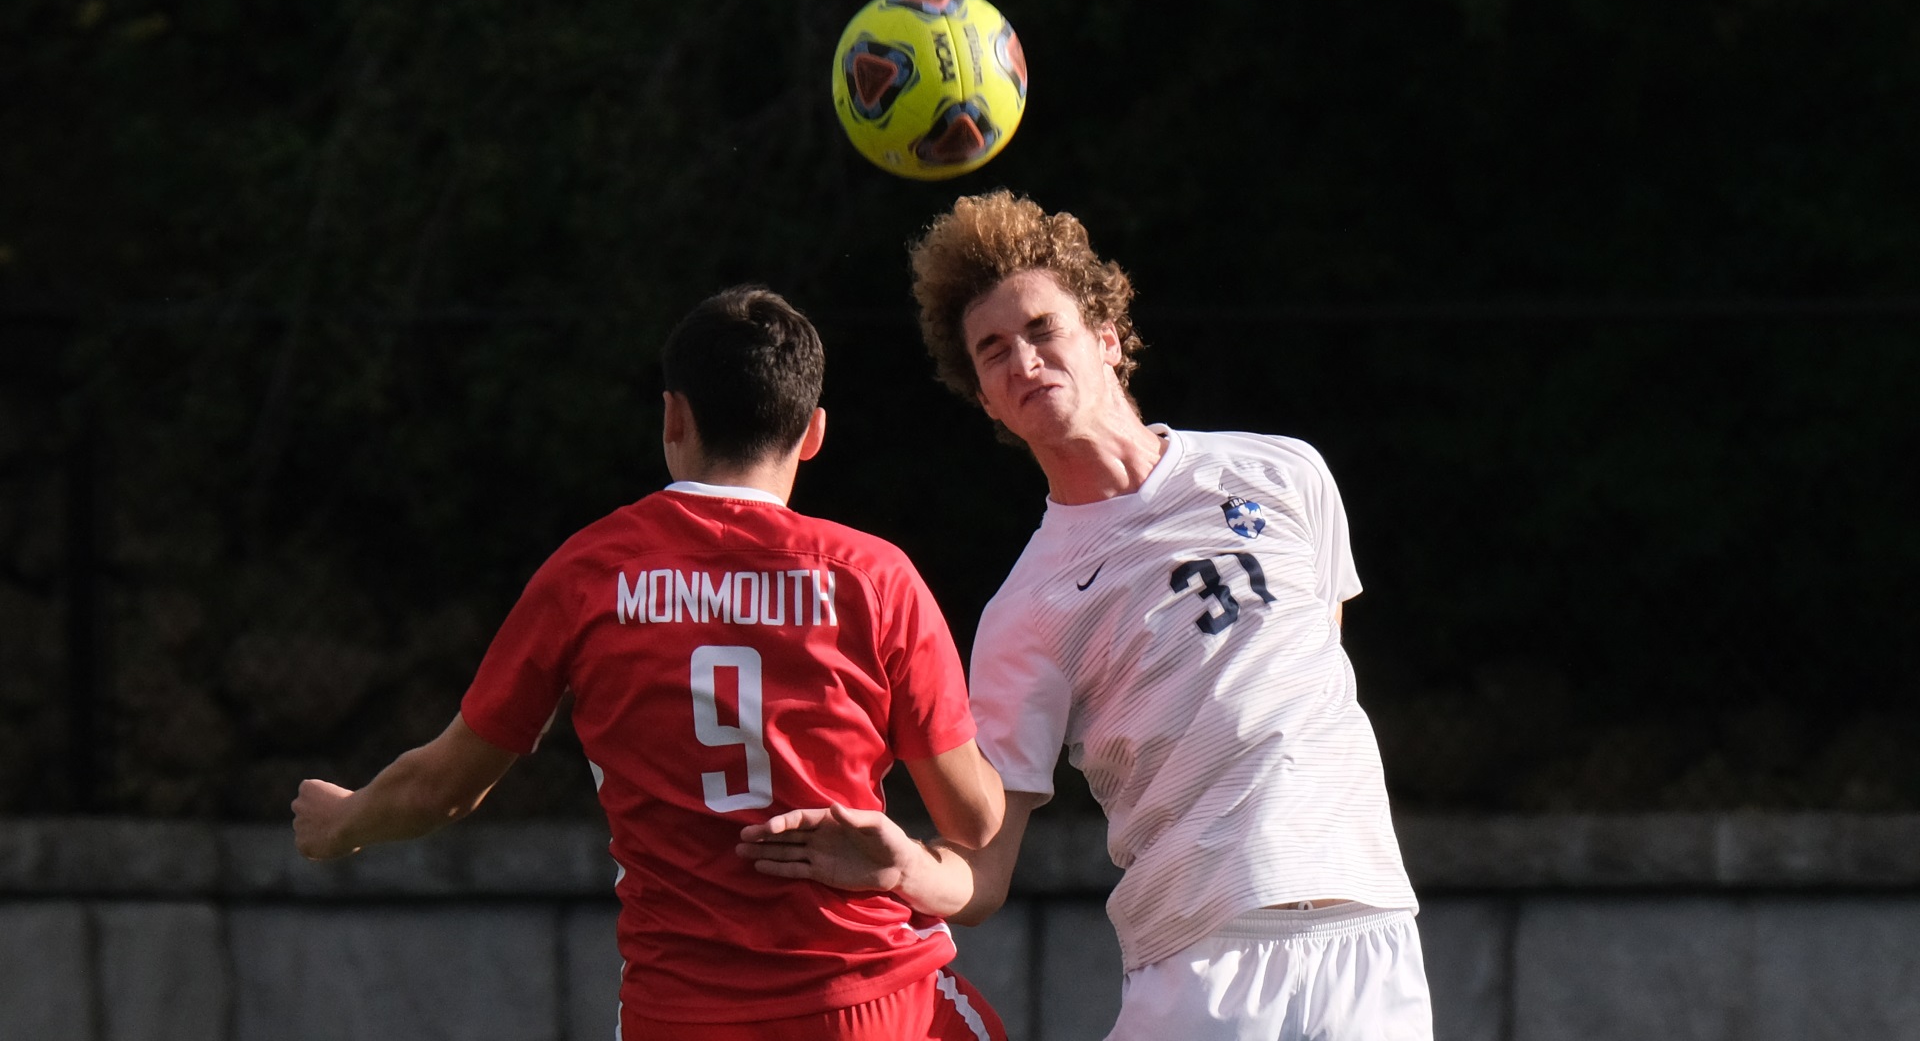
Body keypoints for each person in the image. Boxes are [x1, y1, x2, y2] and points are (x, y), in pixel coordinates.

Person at [740, 193, 1433, 1040]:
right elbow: (984, 877)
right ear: (988, 402)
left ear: (1107, 337)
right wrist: (902, 868)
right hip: (1200, 958)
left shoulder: (1287, 474)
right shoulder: (1027, 611)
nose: (1022, 361)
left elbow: (1317, 690)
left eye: (1041, 329)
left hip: (1371, 931)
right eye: (993, 353)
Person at [292, 285, 1010, 1041]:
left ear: (674, 416)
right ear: (813, 434)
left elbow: (442, 787)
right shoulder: (874, 578)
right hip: (864, 1005)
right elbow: (974, 818)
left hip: (679, 1016)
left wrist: (343, 822)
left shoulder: (590, 574)